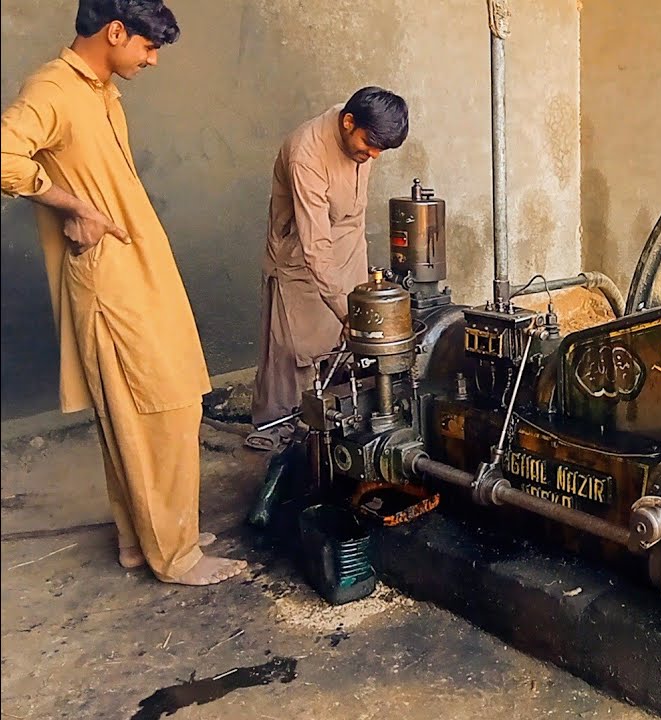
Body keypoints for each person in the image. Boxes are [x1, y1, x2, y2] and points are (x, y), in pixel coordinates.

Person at [0, 0, 245, 585]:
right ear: (115, 31)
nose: (152, 60)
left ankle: (143, 539)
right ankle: (175, 556)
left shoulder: (102, 91)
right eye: (148, 46)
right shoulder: (53, 89)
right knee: (155, 408)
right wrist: (70, 204)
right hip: (109, 280)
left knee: (161, 403)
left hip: (139, 268)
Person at [246, 86, 409, 451]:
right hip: (301, 256)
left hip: (349, 249)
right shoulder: (307, 153)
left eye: (380, 151)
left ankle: (329, 425)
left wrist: (358, 294)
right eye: (368, 146)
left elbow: (351, 217)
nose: (372, 156)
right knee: (294, 352)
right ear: (348, 123)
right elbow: (315, 244)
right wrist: (341, 306)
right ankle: (276, 428)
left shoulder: (358, 129)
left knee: (344, 348)